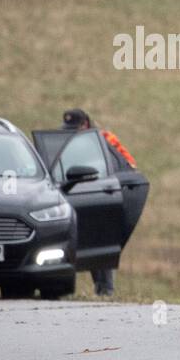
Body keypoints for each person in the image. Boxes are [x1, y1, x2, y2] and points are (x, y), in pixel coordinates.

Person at [61, 107, 136, 296]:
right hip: (70, 198)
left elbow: (129, 166)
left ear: (85, 124)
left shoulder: (105, 139)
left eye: (74, 127)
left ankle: (105, 292)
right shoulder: (62, 141)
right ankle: (61, 291)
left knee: (100, 244)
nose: (70, 131)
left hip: (100, 197)